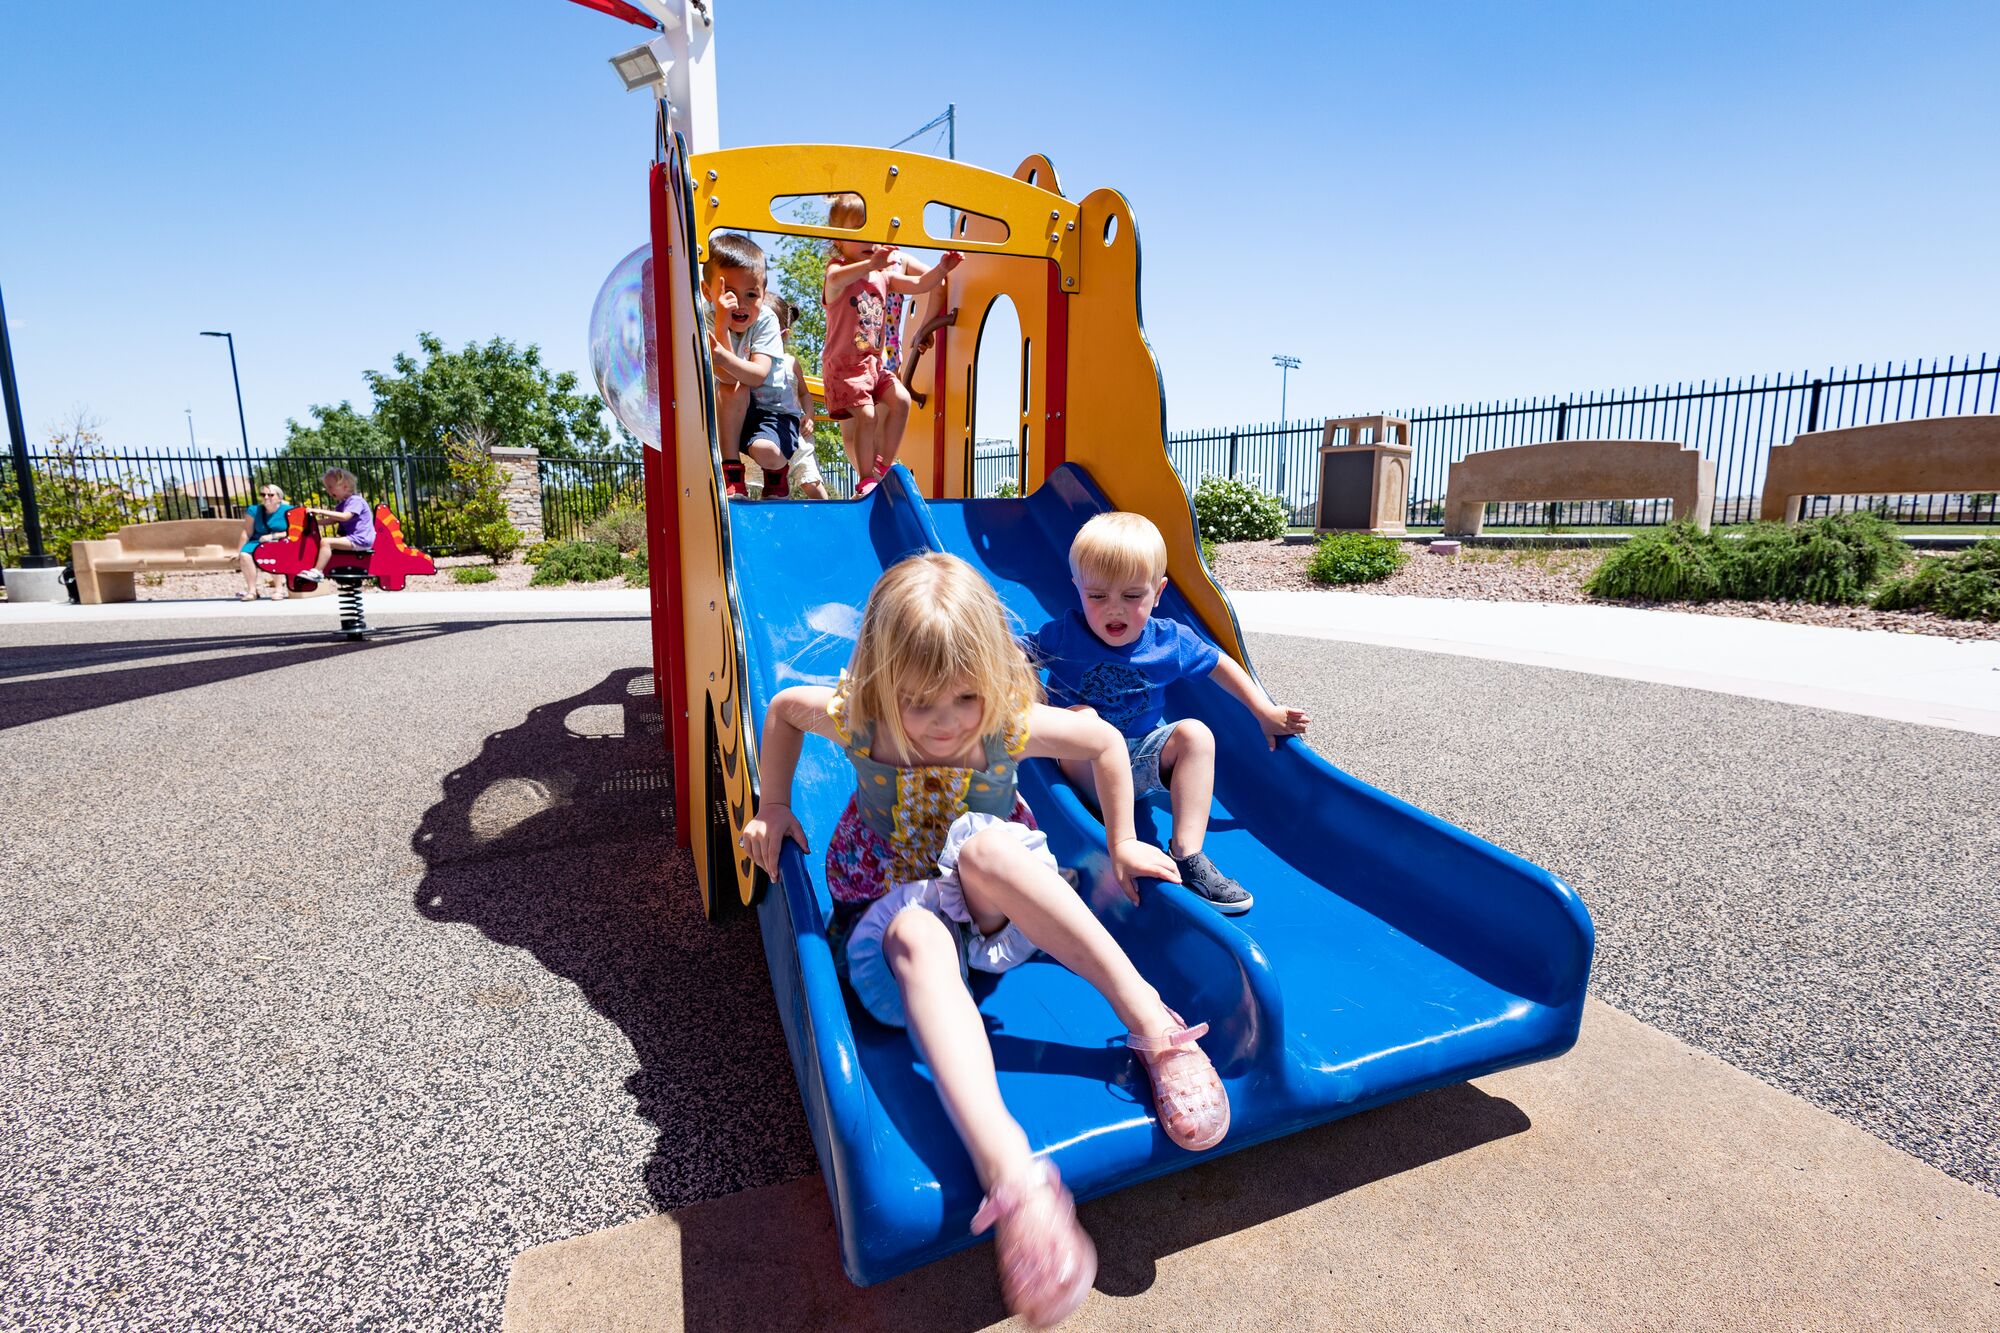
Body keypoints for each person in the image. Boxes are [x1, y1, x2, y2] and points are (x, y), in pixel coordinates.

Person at [743, 553, 1230, 1328]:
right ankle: (1015, 1178)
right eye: (919, 702)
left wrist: (1124, 839)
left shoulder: (1007, 723)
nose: (945, 723)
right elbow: (780, 710)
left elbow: (1105, 744)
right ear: (881, 685)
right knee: (917, 928)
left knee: (989, 845)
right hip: (896, 937)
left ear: (993, 682)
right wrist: (772, 803)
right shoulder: (858, 717)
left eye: (965, 697)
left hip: (993, 916)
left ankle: (1154, 1023)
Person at [1023, 513, 1311, 915]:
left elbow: (1219, 664)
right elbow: (1017, 654)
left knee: (1195, 733)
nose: (1114, 609)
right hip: (1082, 767)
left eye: (1131, 596)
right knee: (1084, 717)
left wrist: (1263, 711)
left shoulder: (1169, 640)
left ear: (1158, 592)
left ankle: (1188, 854)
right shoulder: (1065, 635)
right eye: (1097, 596)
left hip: (1139, 764)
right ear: (1078, 589)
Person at [820, 192, 961, 497]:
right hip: (844, 368)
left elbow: (920, 285)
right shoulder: (836, 271)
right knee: (866, 416)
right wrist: (870, 263)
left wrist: (941, 269)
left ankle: (881, 467)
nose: (869, 242)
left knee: (902, 400)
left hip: (874, 365)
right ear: (838, 240)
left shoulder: (882, 275)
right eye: (859, 234)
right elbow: (837, 280)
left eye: (873, 234)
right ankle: (865, 479)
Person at [702, 232, 801, 500]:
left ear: (763, 293)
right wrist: (721, 325)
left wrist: (721, 354)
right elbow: (726, 377)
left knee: (767, 452)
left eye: (751, 294)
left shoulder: (766, 319)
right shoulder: (708, 319)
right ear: (707, 291)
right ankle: (732, 473)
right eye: (729, 292)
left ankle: (777, 472)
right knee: (733, 387)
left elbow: (757, 375)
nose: (741, 304)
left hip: (774, 413)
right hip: (732, 413)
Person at [763, 293, 828, 500]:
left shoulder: (790, 362)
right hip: (766, 430)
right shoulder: (751, 362)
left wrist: (809, 415)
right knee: (770, 484)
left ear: (783, 334)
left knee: (810, 480)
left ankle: (829, 512)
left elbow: (804, 393)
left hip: (795, 430)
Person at [297, 468, 374, 583]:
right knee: (323, 542)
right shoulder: (342, 505)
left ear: (345, 487)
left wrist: (320, 511)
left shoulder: (356, 500)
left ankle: (318, 572)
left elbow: (345, 517)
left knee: (326, 542)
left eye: (330, 487)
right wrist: (313, 523)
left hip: (361, 539)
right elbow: (332, 520)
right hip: (355, 539)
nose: (328, 491)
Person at [237, 484, 293, 600]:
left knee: (271, 550)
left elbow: (295, 531)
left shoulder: (289, 510)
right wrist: (239, 551)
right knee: (244, 555)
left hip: (280, 542)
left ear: (279, 498)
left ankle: (279, 590)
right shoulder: (254, 510)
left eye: (270, 495)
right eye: (263, 494)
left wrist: (273, 536)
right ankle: (252, 591)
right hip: (257, 542)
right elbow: (247, 532)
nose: (266, 497)